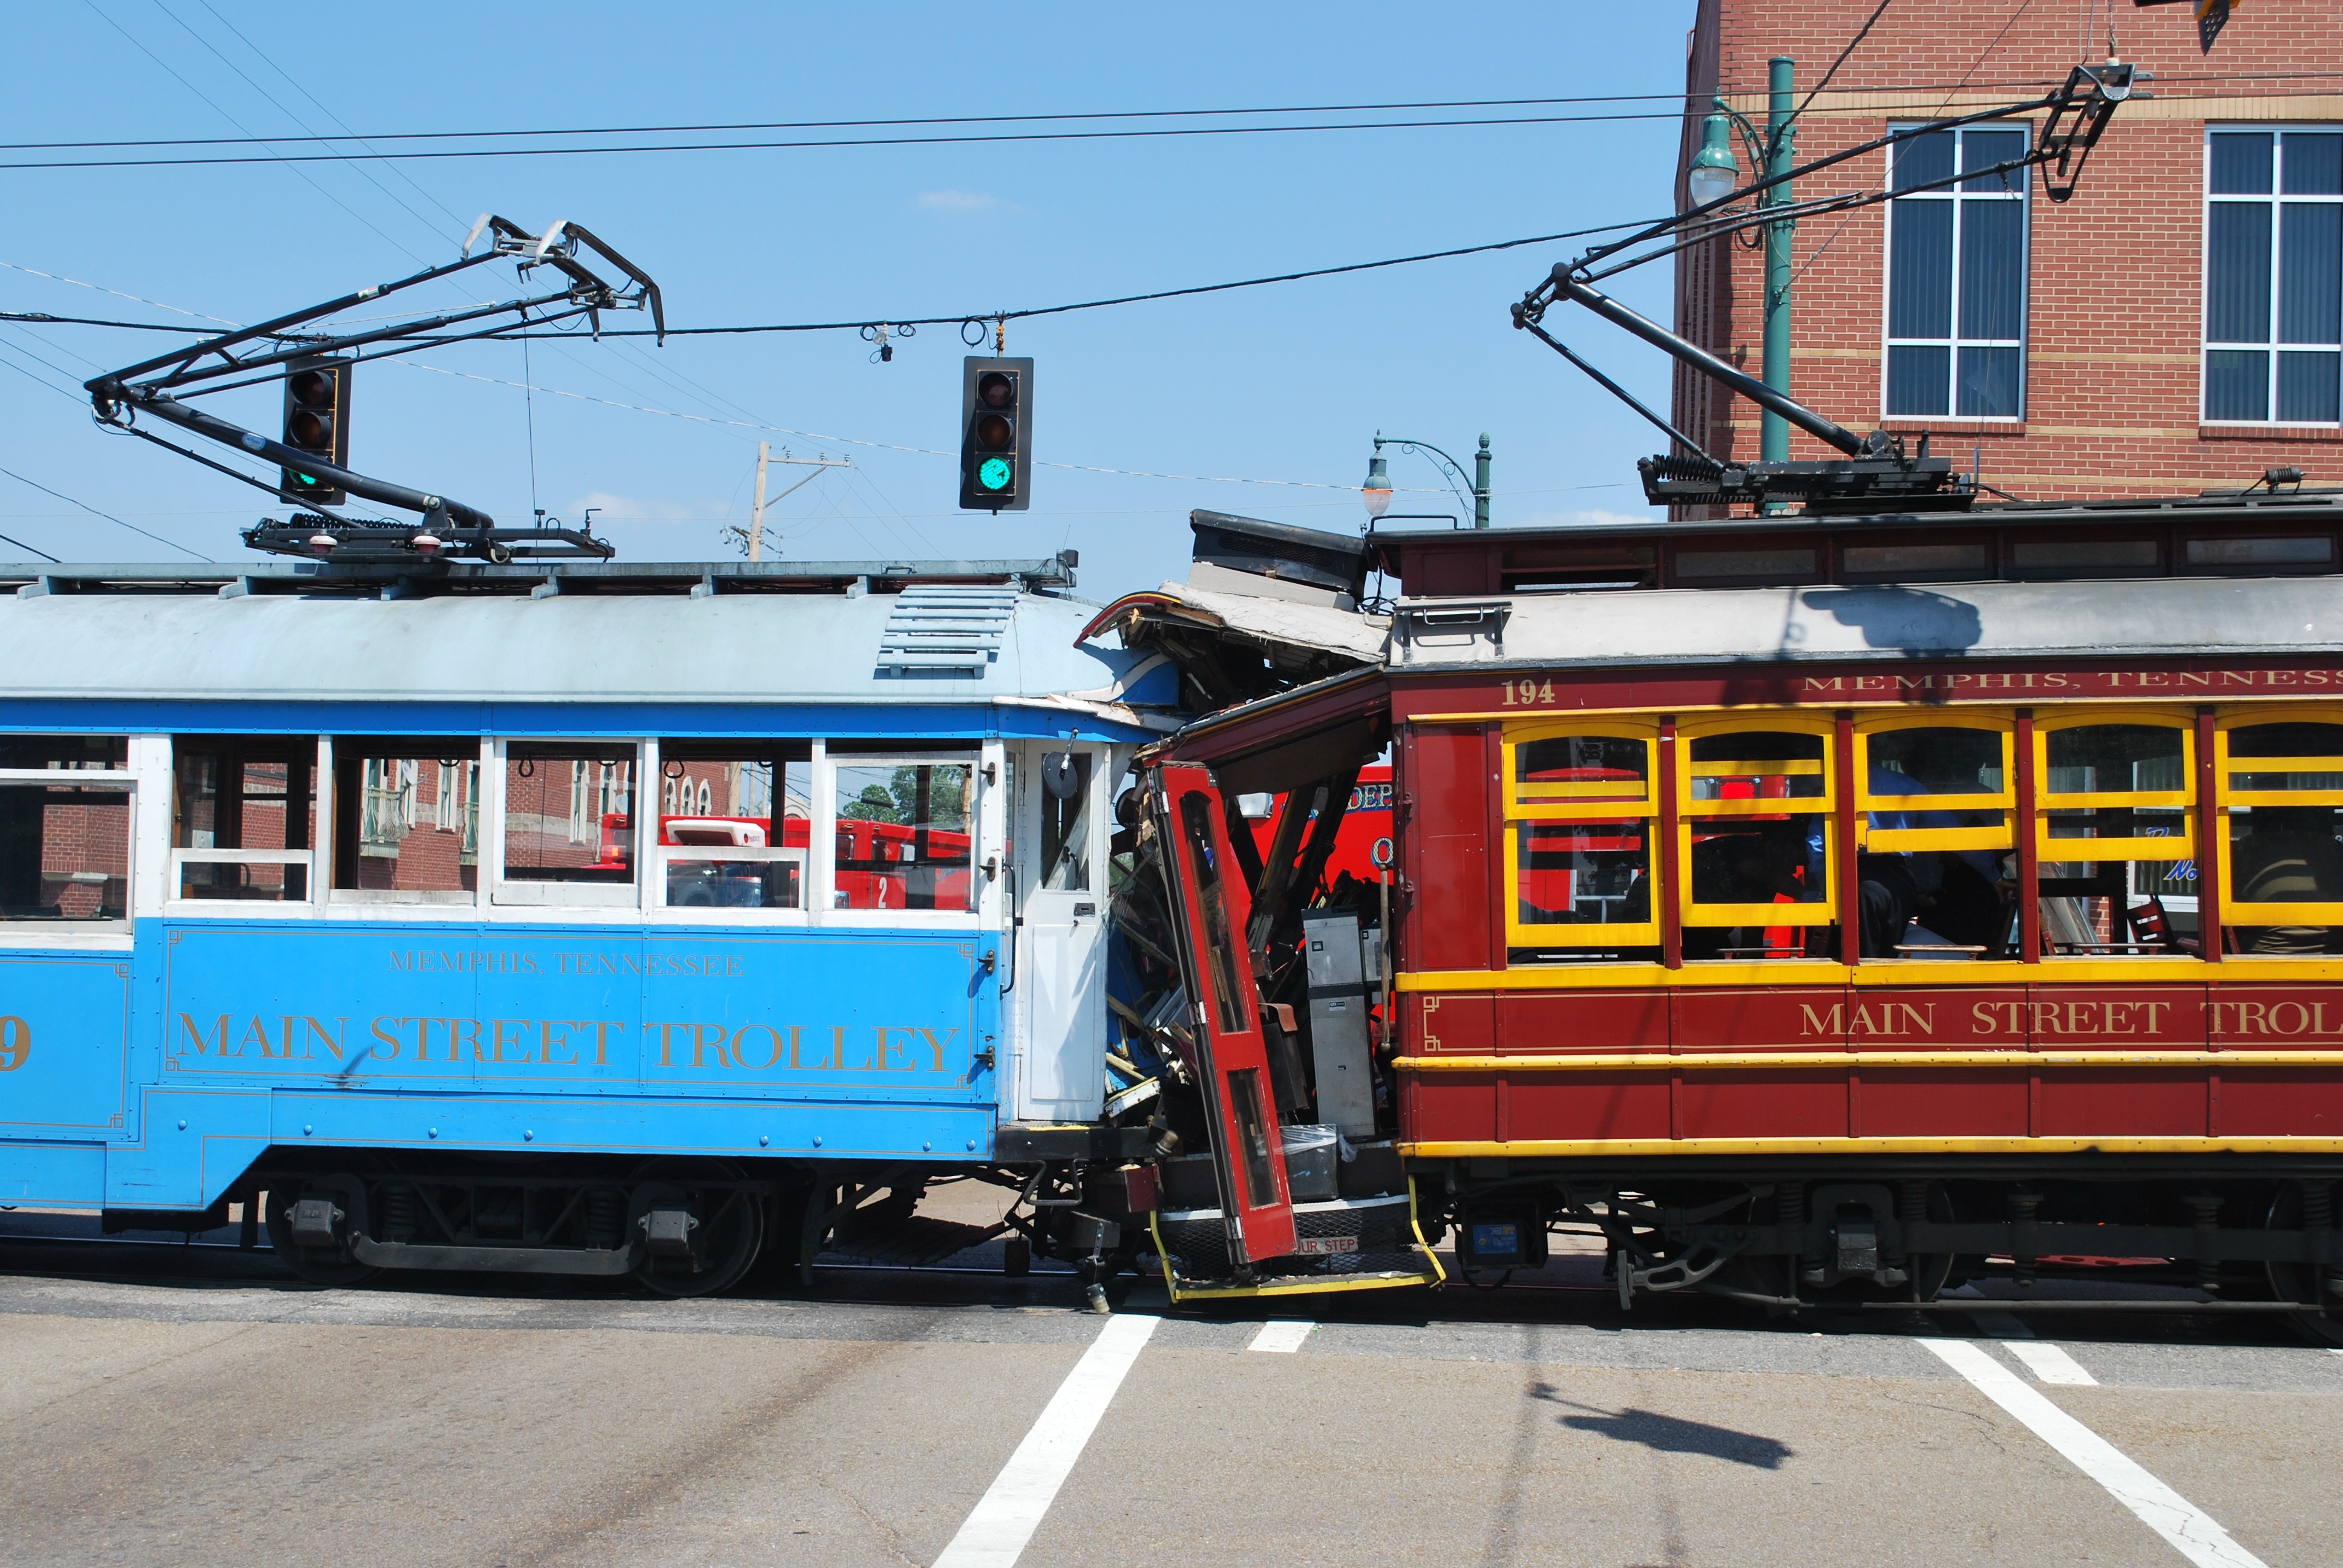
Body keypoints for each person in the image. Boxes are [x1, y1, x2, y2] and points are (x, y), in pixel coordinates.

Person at [2231, 805, 2343, 955]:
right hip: (2333, 952)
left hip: (2264, 953)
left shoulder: (2249, 847)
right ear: (2326, 821)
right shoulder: (2337, 851)